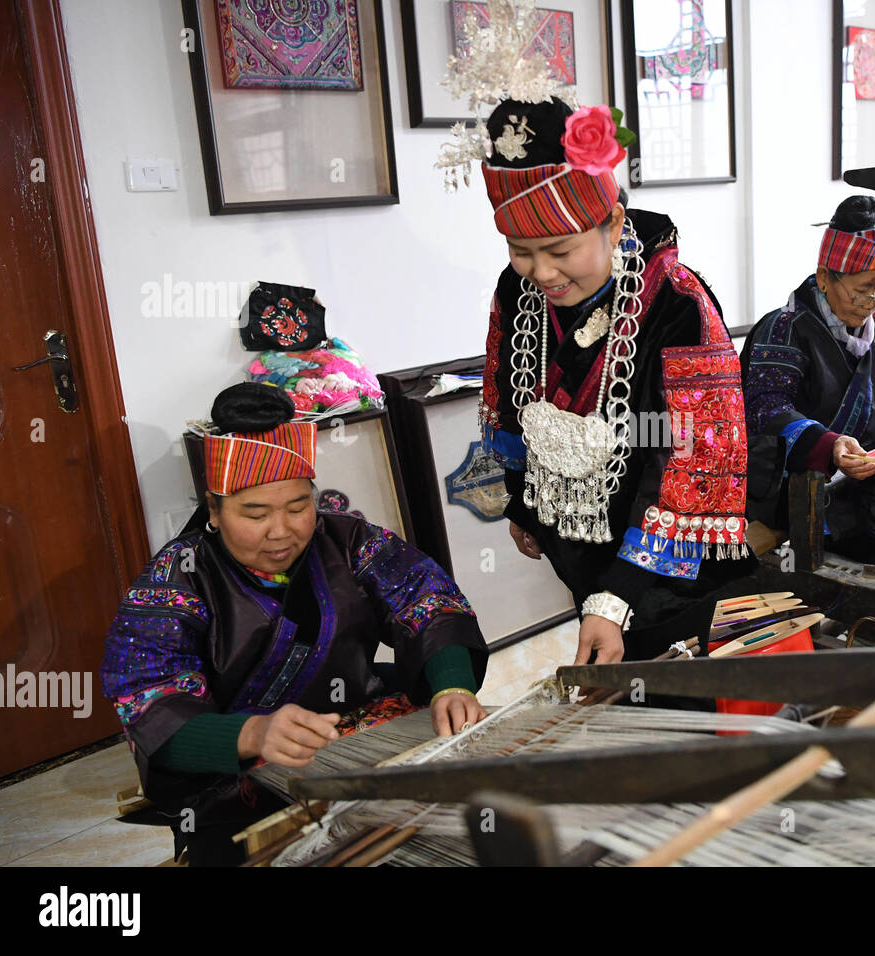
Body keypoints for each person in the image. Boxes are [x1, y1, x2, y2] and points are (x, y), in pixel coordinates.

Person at [99, 383, 488, 864]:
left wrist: (453, 686)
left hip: (359, 724)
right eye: (254, 513)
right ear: (214, 511)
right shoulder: (177, 579)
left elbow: (426, 600)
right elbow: (148, 700)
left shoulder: (347, 540)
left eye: (298, 506)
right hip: (238, 775)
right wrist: (253, 735)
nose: (281, 531)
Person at [456, 95, 756, 668]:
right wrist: (521, 503)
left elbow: (693, 455)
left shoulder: (677, 304)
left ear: (614, 222)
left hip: (672, 563)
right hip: (579, 549)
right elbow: (508, 393)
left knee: (673, 685)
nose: (541, 272)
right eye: (522, 251)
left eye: (560, 250)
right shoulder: (516, 290)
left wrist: (620, 592)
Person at [741, 196, 875, 558]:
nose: (872, 302)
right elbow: (766, 410)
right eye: (862, 291)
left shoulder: (866, 333)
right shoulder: (783, 330)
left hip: (859, 486)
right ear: (825, 278)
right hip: (804, 494)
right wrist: (831, 446)